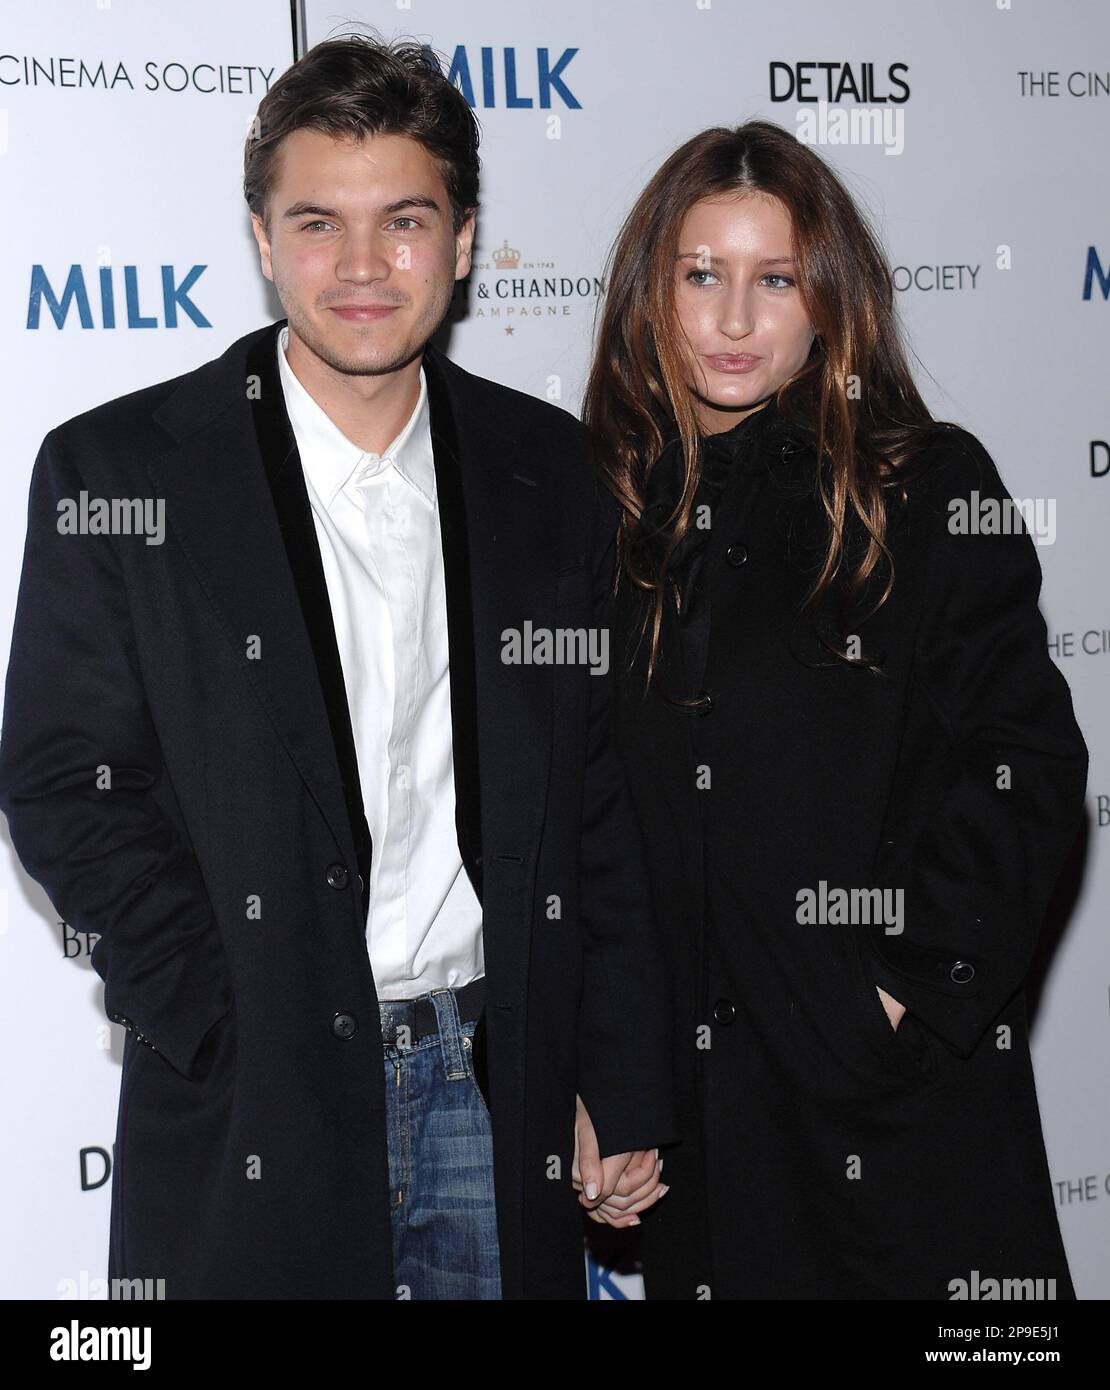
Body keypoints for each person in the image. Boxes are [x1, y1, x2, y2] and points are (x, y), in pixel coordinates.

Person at [0, 35, 674, 1300]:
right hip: (255, 1105)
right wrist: (214, 1014)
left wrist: (614, 1068)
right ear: (264, 239)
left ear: (461, 242)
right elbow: (64, 781)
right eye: (318, 223)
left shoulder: (550, 472)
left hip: (496, 1090)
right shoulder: (123, 472)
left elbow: (595, 797)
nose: (363, 266)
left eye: (404, 221)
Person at [579, 120, 1088, 1299]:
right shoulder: (607, 515)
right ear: (652, 291)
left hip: (897, 1117)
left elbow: (1023, 766)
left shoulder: (921, 486)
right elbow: (581, 829)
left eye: (776, 279)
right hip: (698, 1137)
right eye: (700, 275)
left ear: (829, 302)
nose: (734, 319)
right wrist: (602, 1075)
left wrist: (893, 994)